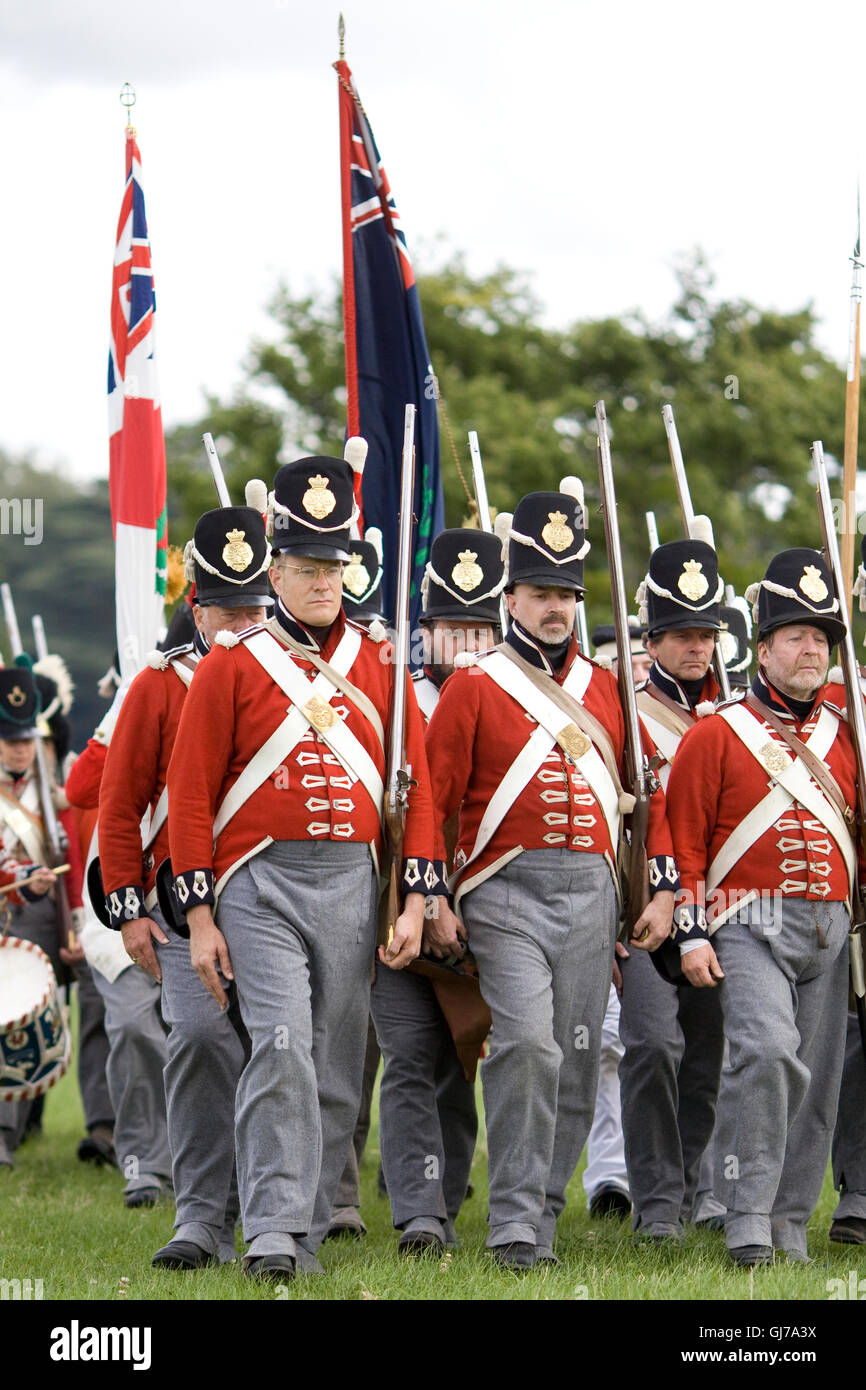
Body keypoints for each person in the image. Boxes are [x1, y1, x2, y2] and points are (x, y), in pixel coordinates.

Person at [165, 448, 446, 1281]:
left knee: (332, 1063)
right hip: (259, 879)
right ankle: (272, 1233)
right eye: (307, 564)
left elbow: (417, 788)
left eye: (336, 563)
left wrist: (413, 902)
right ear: (275, 568)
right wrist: (202, 916)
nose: (325, 580)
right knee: (279, 1047)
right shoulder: (231, 665)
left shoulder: (383, 663)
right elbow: (188, 797)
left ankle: (311, 1223)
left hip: (355, 882)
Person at [425, 481, 677, 1269]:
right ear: (511, 597)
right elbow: (434, 795)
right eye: (540, 592)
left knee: (572, 1054)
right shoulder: (474, 684)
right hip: (505, 889)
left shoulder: (608, 691)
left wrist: (662, 885)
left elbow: (647, 796)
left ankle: (540, 1209)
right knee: (529, 1044)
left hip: (593, 893)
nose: (556, 608)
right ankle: (510, 1219)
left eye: (567, 593)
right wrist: (430, 891)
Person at [666, 547, 857, 1266]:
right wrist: (690, 934)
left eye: (821, 638)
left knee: (817, 1080)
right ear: (765, 647)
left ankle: (789, 1222)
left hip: (830, 923)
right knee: (767, 1054)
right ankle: (746, 1214)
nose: (810, 650)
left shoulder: (849, 735)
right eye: (795, 636)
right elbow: (681, 844)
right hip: (746, 920)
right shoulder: (718, 732)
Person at [96, 503, 271, 1257]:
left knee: (282, 1051)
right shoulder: (160, 686)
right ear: (195, 607)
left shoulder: (296, 684)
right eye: (223, 612)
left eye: (251, 611)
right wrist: (131, 912)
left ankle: (277, 1214)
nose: (236, 628)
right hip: (180, 903)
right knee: (200, 1042)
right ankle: (201, 1216)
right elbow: (118, 803)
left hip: (278, 897)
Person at [372, 527, 504, 1256]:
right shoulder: (390, 703)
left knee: (462, 1051)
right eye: (454, 626)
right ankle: (419, 1214)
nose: (468, 642)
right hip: (393, 906)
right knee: (410, 1051)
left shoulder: (517, 703)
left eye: (482, 626)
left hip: (483, 911)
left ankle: (445, 1197)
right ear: (425, 631)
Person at [616, 539, 726, 1243]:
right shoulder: (624, 716)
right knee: (653, 1046)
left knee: (709, 1054)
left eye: (705, 635)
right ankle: (657, 1201)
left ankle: (698, 1187)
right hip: (646, 912)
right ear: (652, 640)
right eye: (683, 635)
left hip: (722, 909)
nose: (696, 648)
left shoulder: (741, 719)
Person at [0, 663, 88, 1167]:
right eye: (10, 740)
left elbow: (71, 859)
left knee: (27, 1021)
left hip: (40, 923)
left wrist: (73, 917)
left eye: (26, 739)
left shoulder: (53, 794)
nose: (19, 749)